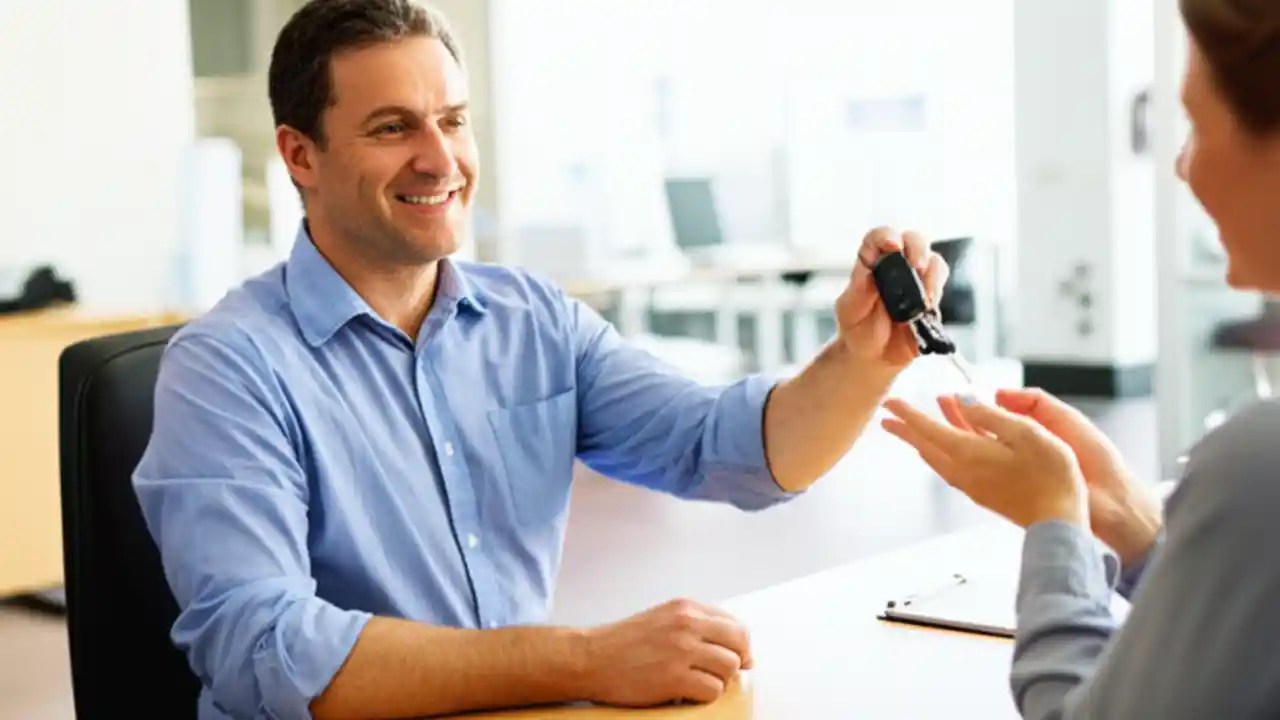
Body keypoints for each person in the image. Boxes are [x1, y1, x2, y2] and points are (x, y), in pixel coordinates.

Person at [133, 1, 949, 718]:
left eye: (452, 120)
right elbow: (262, 649)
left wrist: (861, 358)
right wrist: (585, 660)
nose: (440, 158)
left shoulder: (533, 319)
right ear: (300, 156)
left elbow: (725, 450)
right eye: (393, 127)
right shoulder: (227, 367)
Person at [881, 0, 1280, 717]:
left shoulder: (1261, 463)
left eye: (1194, 124)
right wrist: (1128, 525)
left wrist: (1054, 524)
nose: (1184, 167)